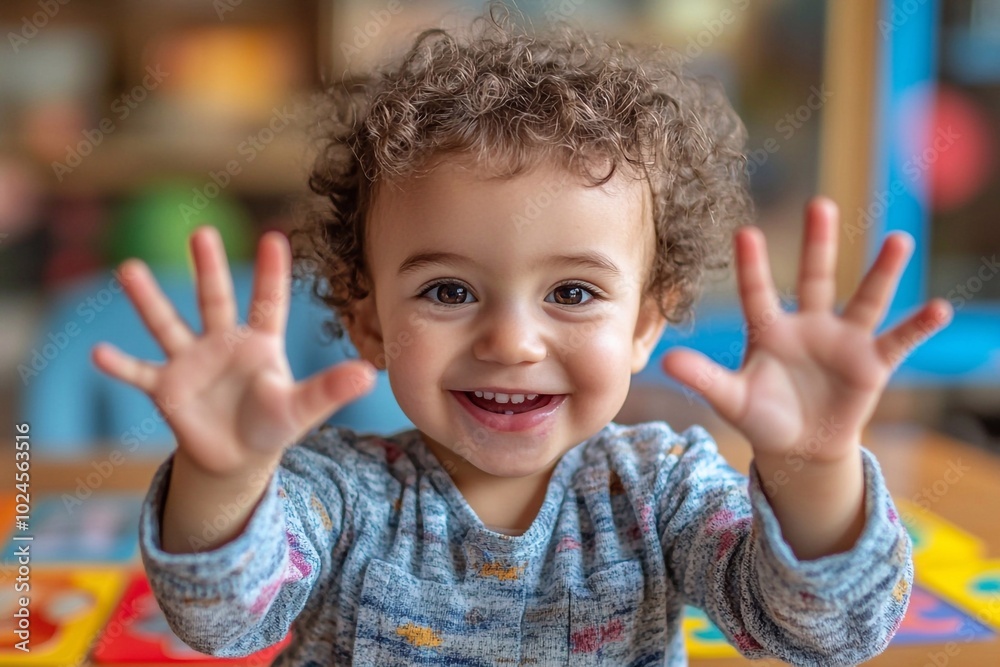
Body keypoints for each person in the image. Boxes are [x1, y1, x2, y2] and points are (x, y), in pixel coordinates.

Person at [92, 4, 951, 665]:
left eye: (572, 291)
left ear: (647, 321)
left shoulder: (664, 491)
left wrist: (815, 468)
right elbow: (218, 617)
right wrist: (226, 471)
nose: (510, 340)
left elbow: (826, 632)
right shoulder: (335, 493)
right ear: (366, 318)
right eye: (449, 289)